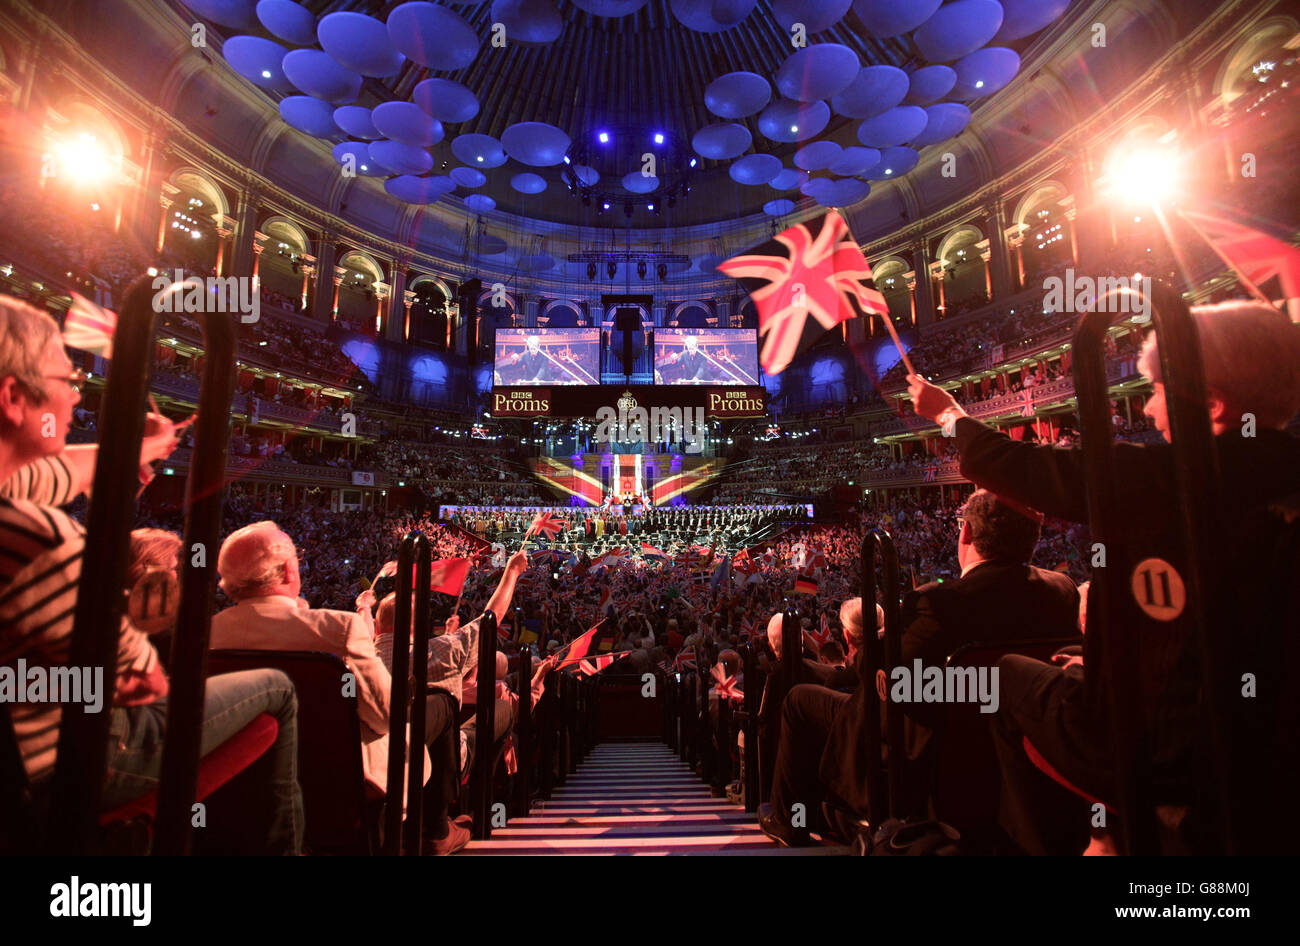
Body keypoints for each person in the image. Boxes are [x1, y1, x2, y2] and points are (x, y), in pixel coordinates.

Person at [906, 299, 1300, 855]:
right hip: (1264, 747)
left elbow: (1024, 469)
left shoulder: (1165, 478)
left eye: (1159, 390)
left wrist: (949, 415)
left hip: (1155, 742)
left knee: (997, 675)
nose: (1151, 409)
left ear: (1211, 406)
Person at [0, 295, 303, 854]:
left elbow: (39, 476)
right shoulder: (42, 538)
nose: (76, 392)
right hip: (80, 760)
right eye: (65, 378)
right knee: (278, 689)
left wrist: (130, 450)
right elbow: (149, 685)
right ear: (14, 398)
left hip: (25, 765)